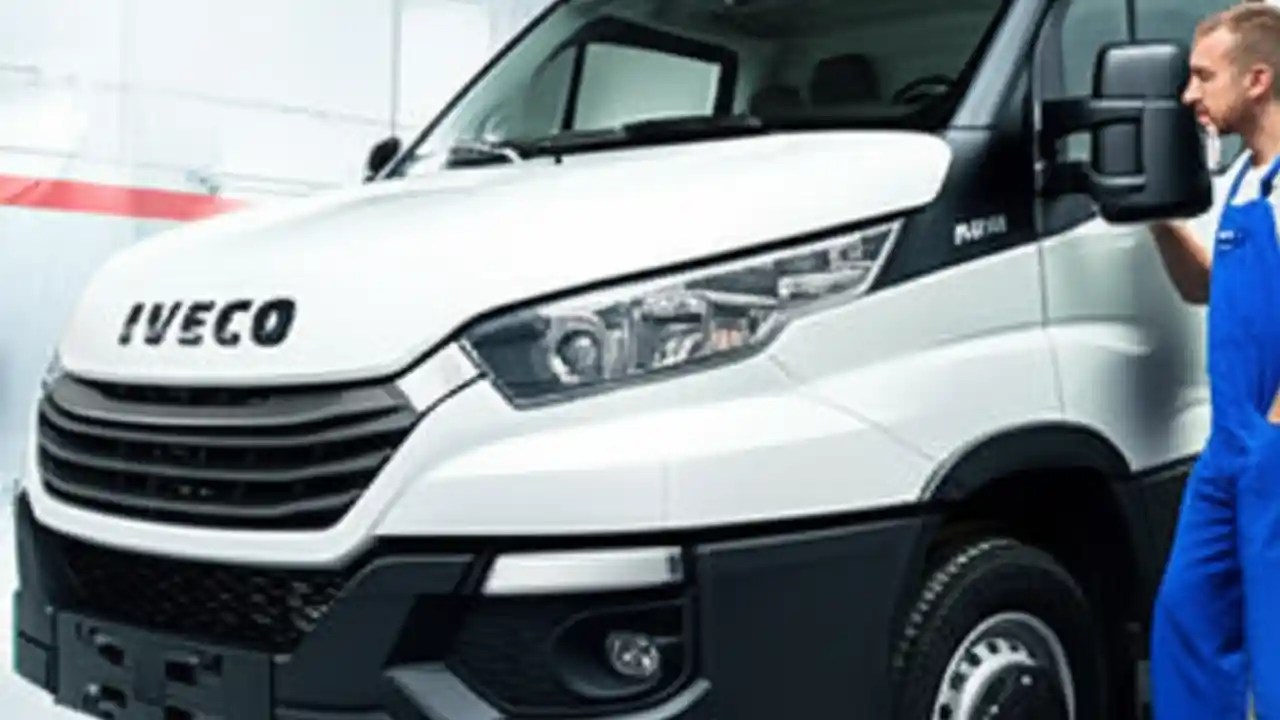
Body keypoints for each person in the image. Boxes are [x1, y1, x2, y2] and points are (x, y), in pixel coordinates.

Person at [1148, 3, 1280, 718]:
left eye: (1203, 77)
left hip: (1271, 445)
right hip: (1227, 448)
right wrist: (1158, 219)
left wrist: (1275, 432)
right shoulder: (1243, 180)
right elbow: (1205, 288)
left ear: (1256, 79)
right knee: (1187, 619)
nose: (1188, 95)